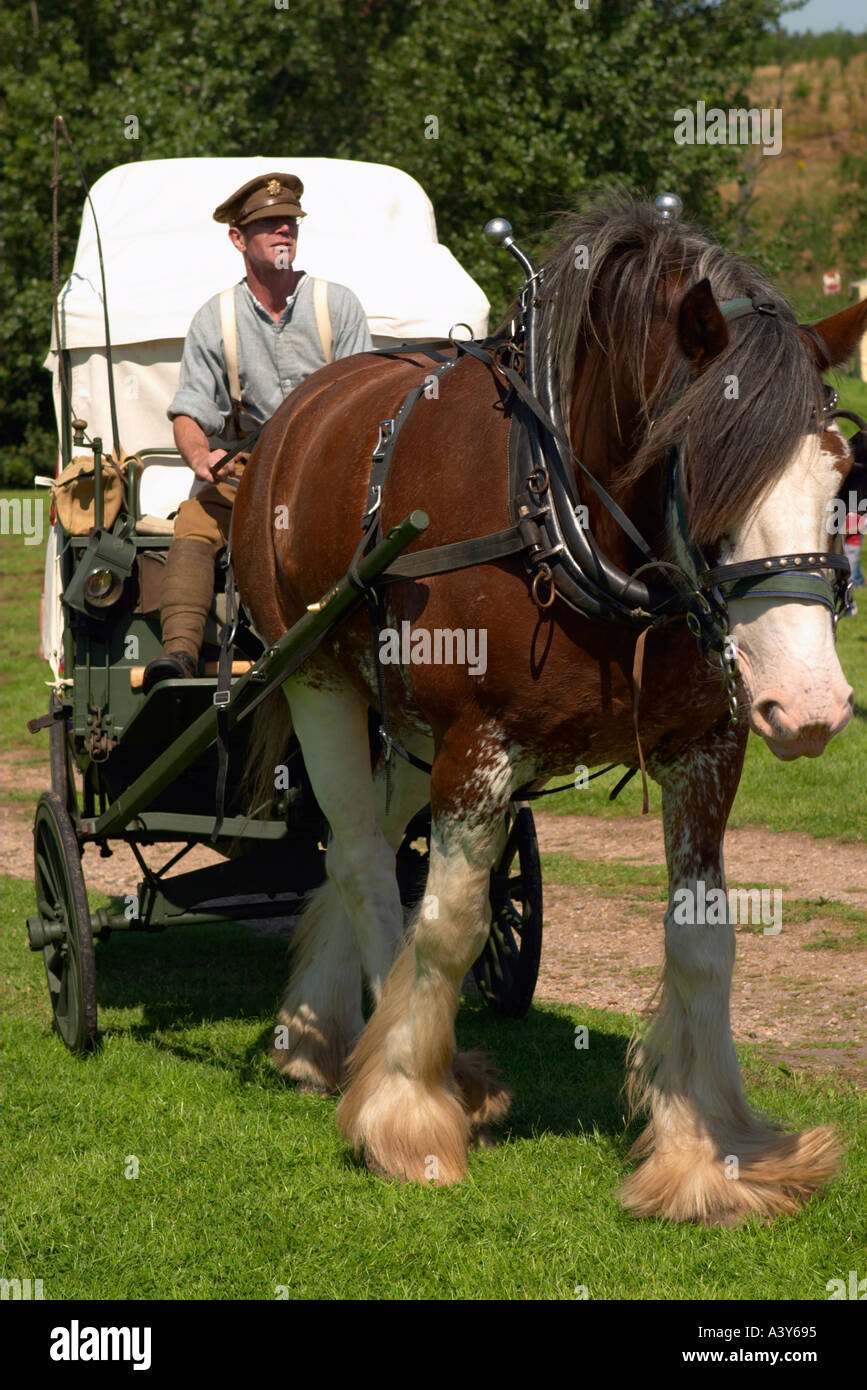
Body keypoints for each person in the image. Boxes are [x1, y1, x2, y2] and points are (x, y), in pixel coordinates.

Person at [142, 173, 372, 692]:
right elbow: (189, 414)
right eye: (268, 224)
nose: (283, 230)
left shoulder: (337, 306)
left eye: (289, 222)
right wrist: (203, 458)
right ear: (238, 239)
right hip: (243, 474)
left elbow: (366, 403)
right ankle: (178, 654)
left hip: (326, 475)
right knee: (196, 521)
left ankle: (374, 645)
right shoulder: (215, 318)